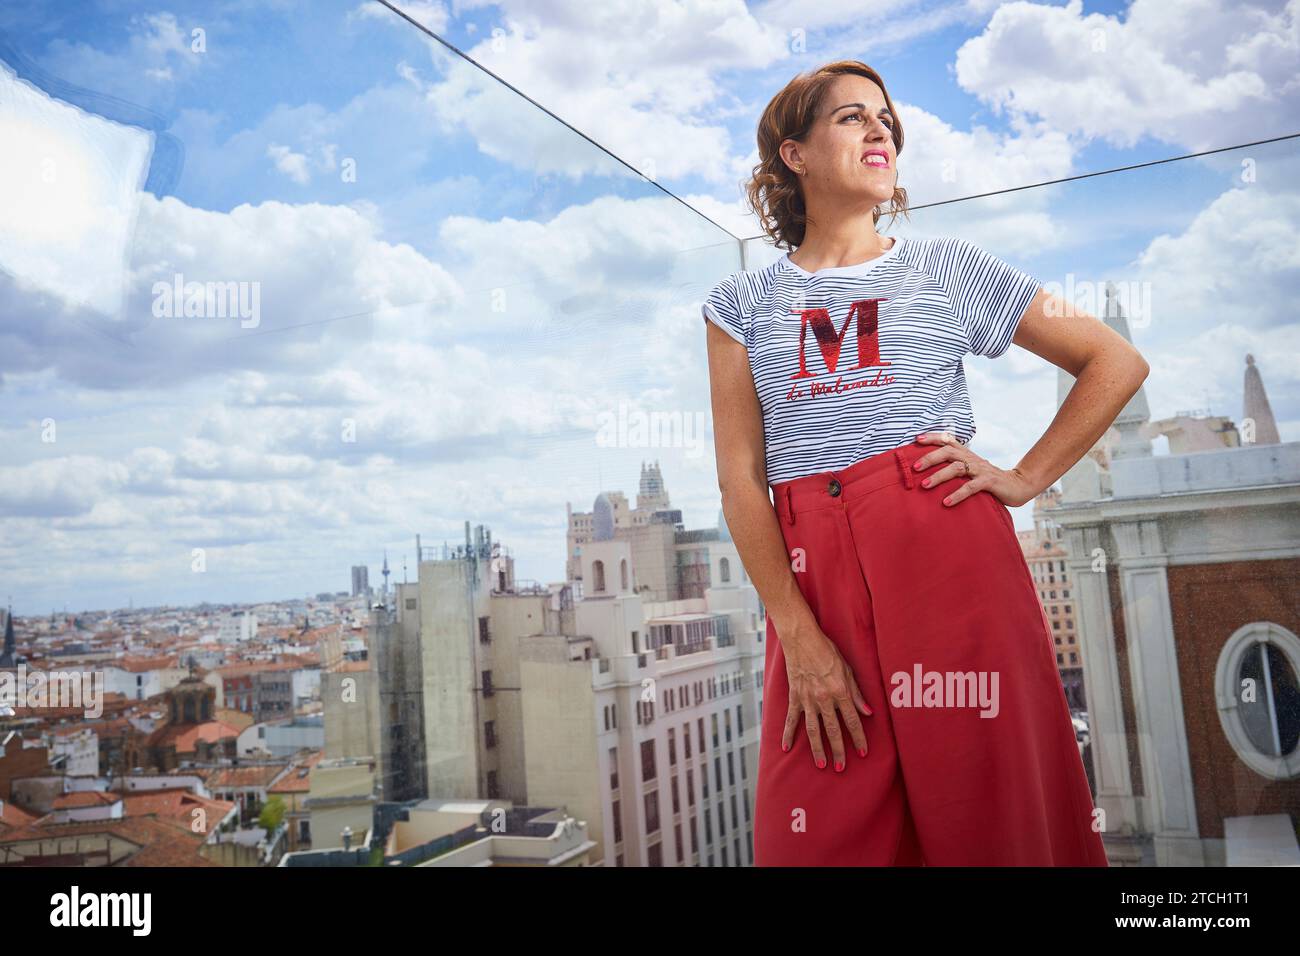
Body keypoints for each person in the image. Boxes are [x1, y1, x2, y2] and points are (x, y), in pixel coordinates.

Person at [702, 60, 1147, 866]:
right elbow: (741, 479)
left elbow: (1113, 361)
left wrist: (1023, 478)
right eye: (851, 118)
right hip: (815, 579)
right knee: (818, 825)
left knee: (991, 817)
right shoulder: (740, 304)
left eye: (887, 121)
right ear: (794, 155)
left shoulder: (949, 268)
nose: (881, 131)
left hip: (949, 556)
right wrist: (797, 634)